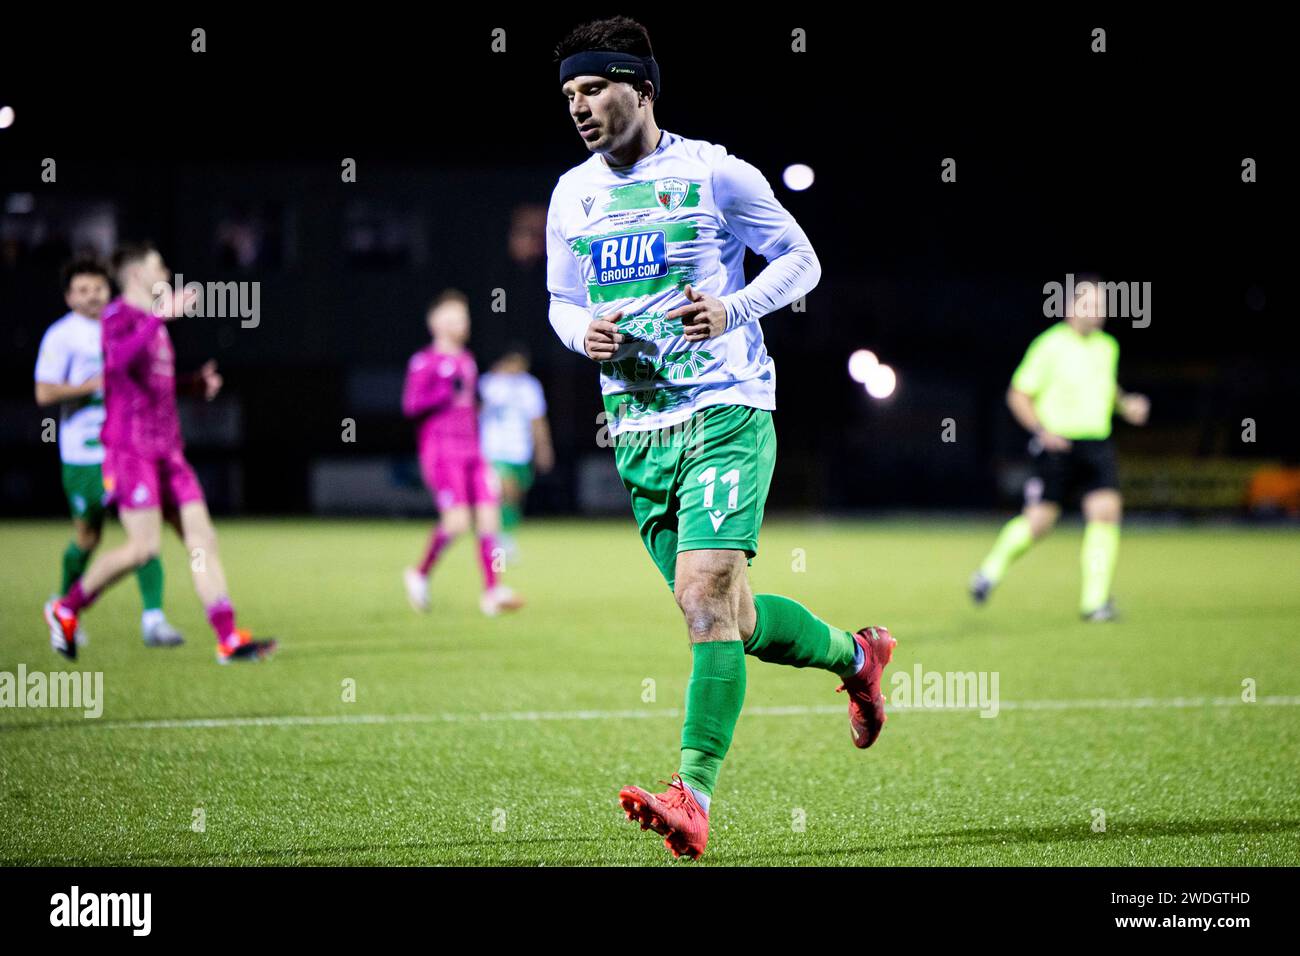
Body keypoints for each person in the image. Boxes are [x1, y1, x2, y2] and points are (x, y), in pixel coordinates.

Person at [547, 16, 895, 860]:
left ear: (642, 87)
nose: (580, 107)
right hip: (636, 428)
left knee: (703, 597)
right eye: (568, 95)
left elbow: (800, 261)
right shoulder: (571, 194)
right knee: (729, 620)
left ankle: (692, 795)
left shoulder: (715, 173)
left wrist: (733, 308)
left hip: (726, 409)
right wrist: (578, 331)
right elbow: (560, 300)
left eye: (594, 88)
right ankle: (858, 655)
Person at [43, 243, 277, 663]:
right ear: (136, 275)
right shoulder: (118, 317)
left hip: (169, 451)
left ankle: (228, 638)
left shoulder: (152, 324)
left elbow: (147, 384)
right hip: (131, 452)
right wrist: (158, 317)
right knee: (142, 549)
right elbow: (115, 365)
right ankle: (67, 608)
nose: (168, 272)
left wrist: (191, 386)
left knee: (203, 539)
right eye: (160, 266)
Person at [970, 279, 1150, 620]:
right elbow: (1018, 394)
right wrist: (1042, 430)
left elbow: (1105, 387)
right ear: (1070, 308)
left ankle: (1094, 603)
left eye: (1101, 305)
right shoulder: (1049, 345)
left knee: (1106, 513)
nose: (1098, 311)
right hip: (1058, 445)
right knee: (1039, 523)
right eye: (1090, 304)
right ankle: (988, 572)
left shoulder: (1107, 347)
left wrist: (1127, 405)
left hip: (1096, 443)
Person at [34, 257, 182, 647]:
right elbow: (44, 392)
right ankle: (65, 609)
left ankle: (154, 618)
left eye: (97, 287)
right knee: (88, 537)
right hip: (83, 455)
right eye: (82, 290)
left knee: (145, 532)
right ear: (68, 297)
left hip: (127, 448)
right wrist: (95, 383)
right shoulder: (61, 336)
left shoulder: (123, 323)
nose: (92, 296)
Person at [402, 291, 524, 617]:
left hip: (473, 451)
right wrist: (443, 393)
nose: (463, 323)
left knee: (490, 516)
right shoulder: (424, 361)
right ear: (436, 322)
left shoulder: (466, 361)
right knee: (456, 523)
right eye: (455, 317)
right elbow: (410, 405)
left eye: (465, 317)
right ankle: (419, 574)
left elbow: (470, 411)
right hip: (442, 452)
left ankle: (492, 590)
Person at [478, 348, 554, 559]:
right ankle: (497, 541)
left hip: (520, 450)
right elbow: (476, 409)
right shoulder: (490, 383)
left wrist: (543, 448)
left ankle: (506, 535)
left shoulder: (530, 386)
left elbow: (537, 419)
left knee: (514, 496)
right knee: (502, 490)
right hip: (494, 449)